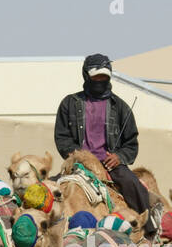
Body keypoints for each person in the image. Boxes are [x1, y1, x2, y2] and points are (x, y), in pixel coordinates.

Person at [53, 53, 154, 236]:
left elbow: (131, 143)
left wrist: (120, 157)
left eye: (104, 77)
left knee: (134, 185)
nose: (100, 80)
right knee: (45, 190)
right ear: (86, 76)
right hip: (77, 164)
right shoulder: (69, 103)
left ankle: (149, 231)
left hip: (110, 165)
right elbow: (62, 137)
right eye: (96, 77)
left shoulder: (121, 107)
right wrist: (78, 156)